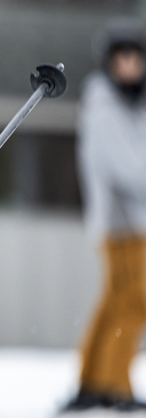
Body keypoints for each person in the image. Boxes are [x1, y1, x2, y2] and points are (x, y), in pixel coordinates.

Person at [64, 21, 146, 412]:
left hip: (134, 221)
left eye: (136, 58)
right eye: (122, 58)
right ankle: (116, 385)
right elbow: (129, 169)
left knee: (115, 302)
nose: (130, 65)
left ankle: (93, 380)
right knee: (133, 303)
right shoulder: (105, 105)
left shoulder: (132, 103)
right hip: (123, 223)